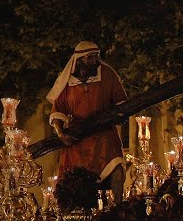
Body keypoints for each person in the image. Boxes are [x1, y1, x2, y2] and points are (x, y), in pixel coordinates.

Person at [46, 41, 129, 196]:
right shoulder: (67, 83)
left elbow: (122, 104)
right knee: (74, 182)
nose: (94, 61)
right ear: (79, 60)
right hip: (77, 140)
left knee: (117, 168)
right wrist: (61, 134)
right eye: (90, 58)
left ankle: (118, 210)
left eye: (96, 57)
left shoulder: (107, 75)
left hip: (105, 137)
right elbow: (58, 111)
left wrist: (120, 116)